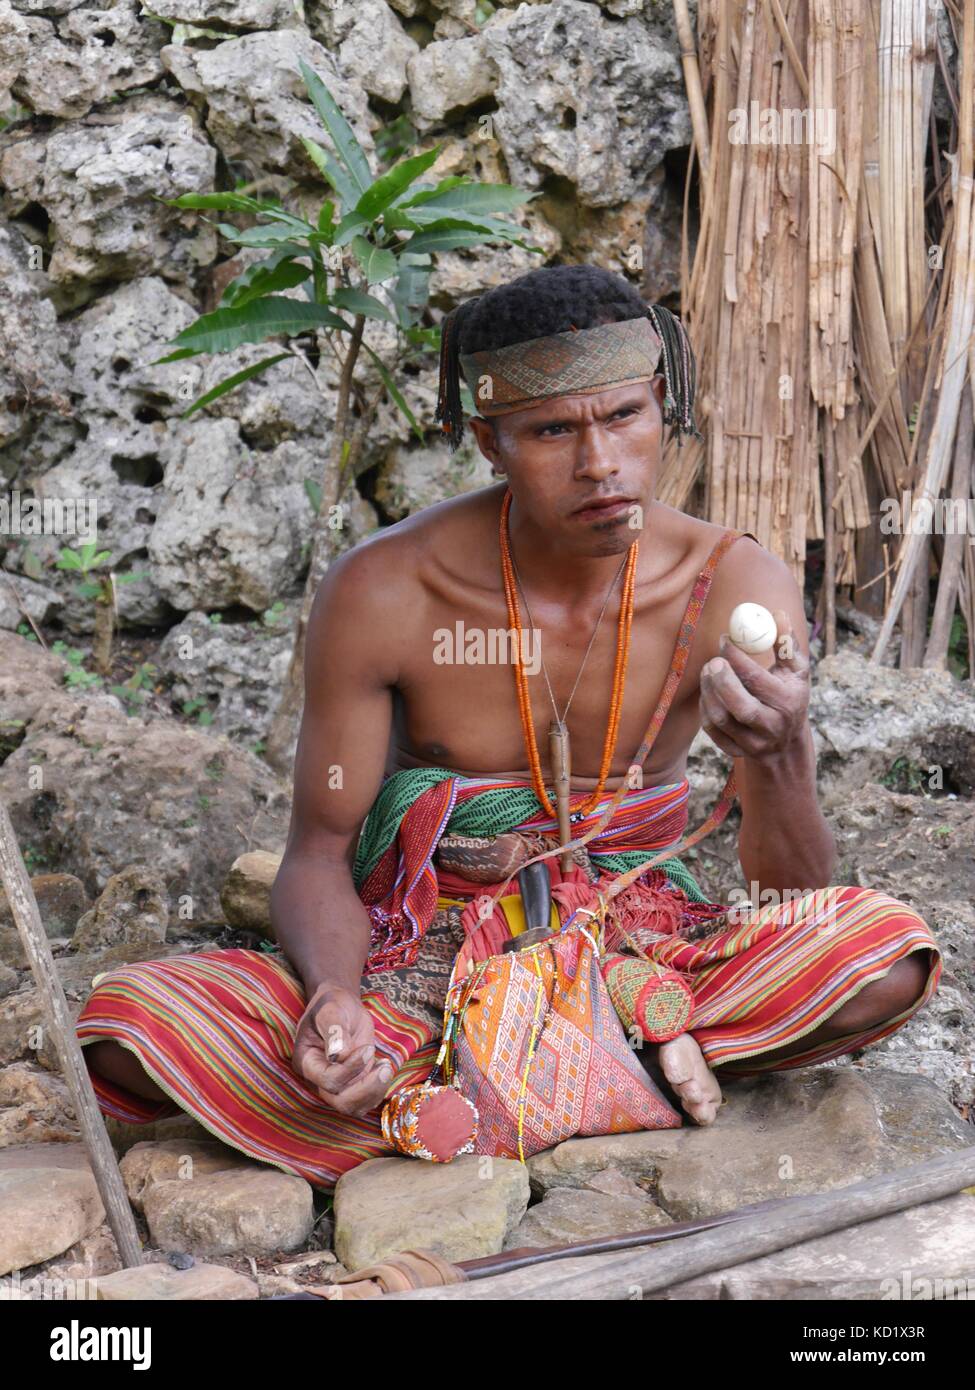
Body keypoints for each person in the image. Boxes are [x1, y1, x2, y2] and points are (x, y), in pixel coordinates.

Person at [78, 264, 941, 1189]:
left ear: (662, 408)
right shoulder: (387, 591)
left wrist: (780, 758)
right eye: (551, 431)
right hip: (422, 957)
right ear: (488, 441)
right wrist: (332, 1000)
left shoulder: (732, 587)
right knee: (132, 1025)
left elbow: (791, 889)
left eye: (623, 417)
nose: (600, 463)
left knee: (881, 952)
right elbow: (320, 854)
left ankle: (474, 1094)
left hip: (642, 935)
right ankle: (622, 1063)